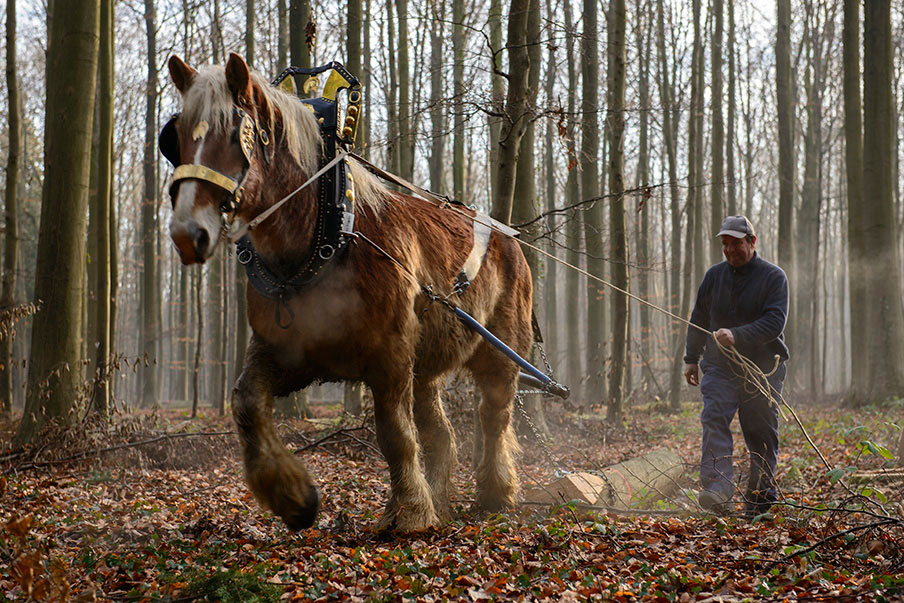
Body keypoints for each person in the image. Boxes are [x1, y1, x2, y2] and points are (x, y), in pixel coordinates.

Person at [683, 215, 789, 519]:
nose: (730, 250)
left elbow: (775, 322)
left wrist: (737, 335)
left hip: (763, 369)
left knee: (760, 432)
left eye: (736, 243)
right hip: (720, 366)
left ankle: (760, 501)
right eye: (725, 244)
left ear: (752, 242)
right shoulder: (714, 276)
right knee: (714, 417)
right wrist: (691, 358)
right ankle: (718, 489)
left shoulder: (774, 277)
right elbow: (699, 318)